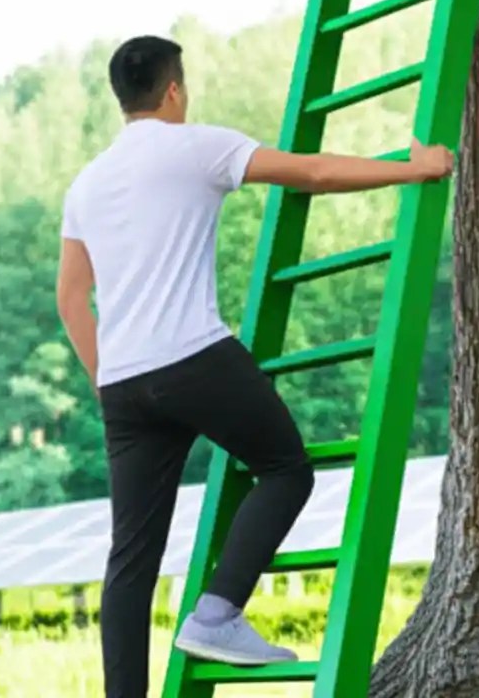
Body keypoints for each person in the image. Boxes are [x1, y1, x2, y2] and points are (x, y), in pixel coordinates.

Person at [56, 34, 454, 698]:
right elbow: (314, 173)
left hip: (124, 385)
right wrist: (416, 169)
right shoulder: (198, 145)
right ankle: (217, 613)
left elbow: (71, 297)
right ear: (174, 90)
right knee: (285, 469)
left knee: (131, 559)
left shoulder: (86, 183)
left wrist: (106, 384)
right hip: (193, 359)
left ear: (121, 98)